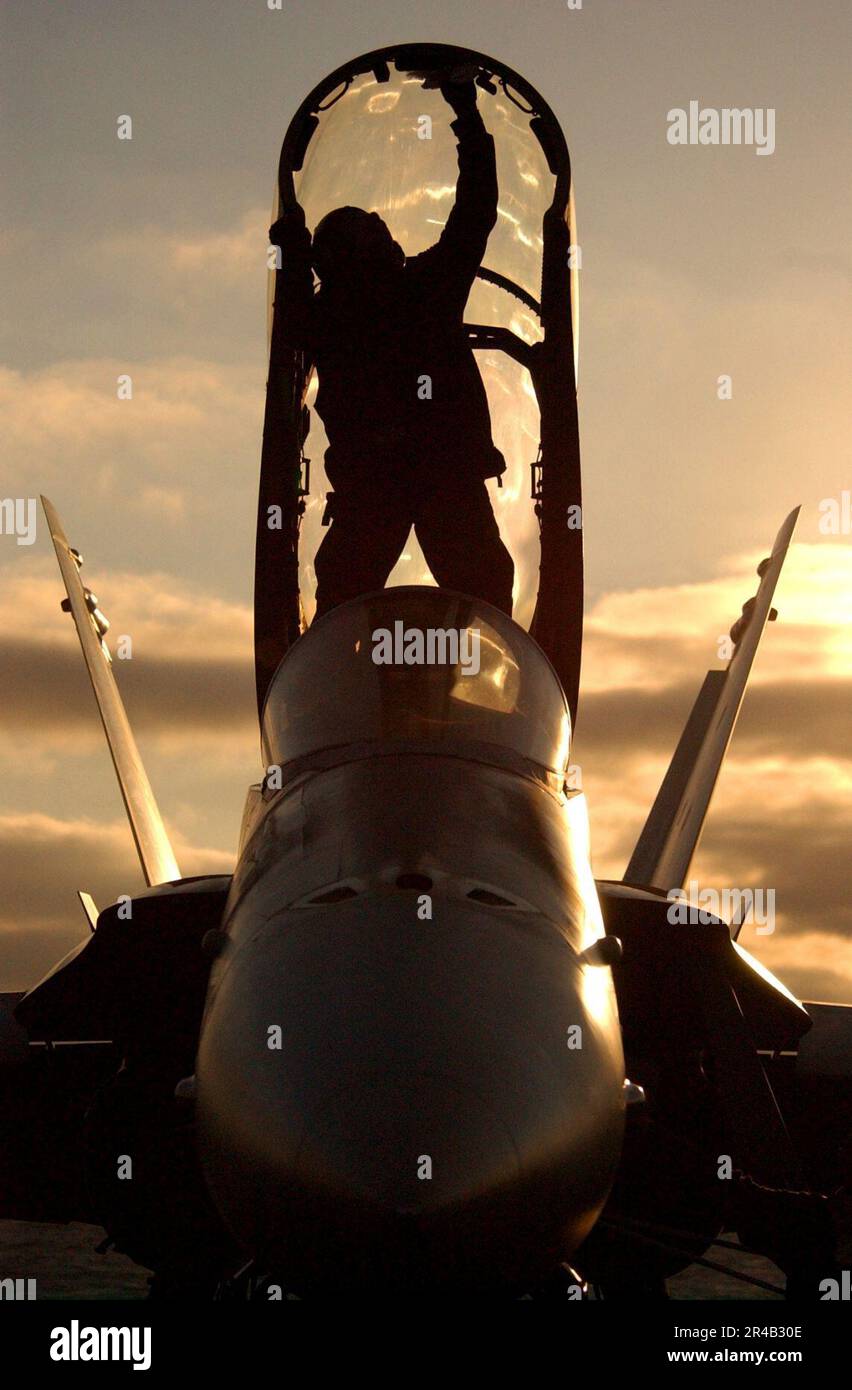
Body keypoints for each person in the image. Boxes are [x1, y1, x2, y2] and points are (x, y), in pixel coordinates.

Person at [270, 77, 514, 619]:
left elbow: (476, 213)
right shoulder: (425, 288)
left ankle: (354, 694)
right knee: (487, 608)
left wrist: (290, 252)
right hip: (438, 478)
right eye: (373, 230)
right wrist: (466, 114)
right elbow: (477, 209)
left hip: (377, 486)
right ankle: (463, 694)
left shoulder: (321, 316)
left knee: (341, 613)